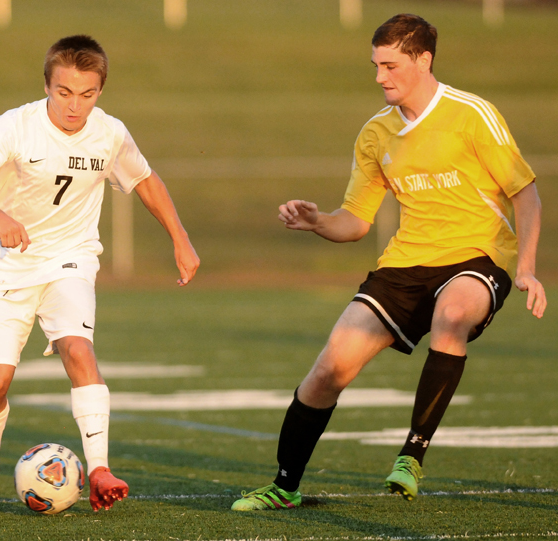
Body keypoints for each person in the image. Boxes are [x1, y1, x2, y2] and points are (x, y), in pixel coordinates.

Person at [232, 13, 546, 511]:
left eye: (390, 65)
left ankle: (411, 456)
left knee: (452, 318)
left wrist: (525, 267)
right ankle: (284, 486)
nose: (380, 77)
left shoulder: (472, 113)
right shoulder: (376, 133)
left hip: (478, 257)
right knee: (328, 369)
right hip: (405, 265)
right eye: (376, 65)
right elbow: (355, 221)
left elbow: (526, 195)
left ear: (423, 60)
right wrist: (317, 220)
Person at [0, 35, 200, 514]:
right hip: (7, 267)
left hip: (71, 258)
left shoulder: (109, 133)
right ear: (47, 85)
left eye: (86, 94)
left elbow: (145, 179)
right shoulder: (14, 126)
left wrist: (180, 238)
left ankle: (100, 467)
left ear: (100, 91)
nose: (74, 105)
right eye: (64, 92)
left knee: (79, 349)